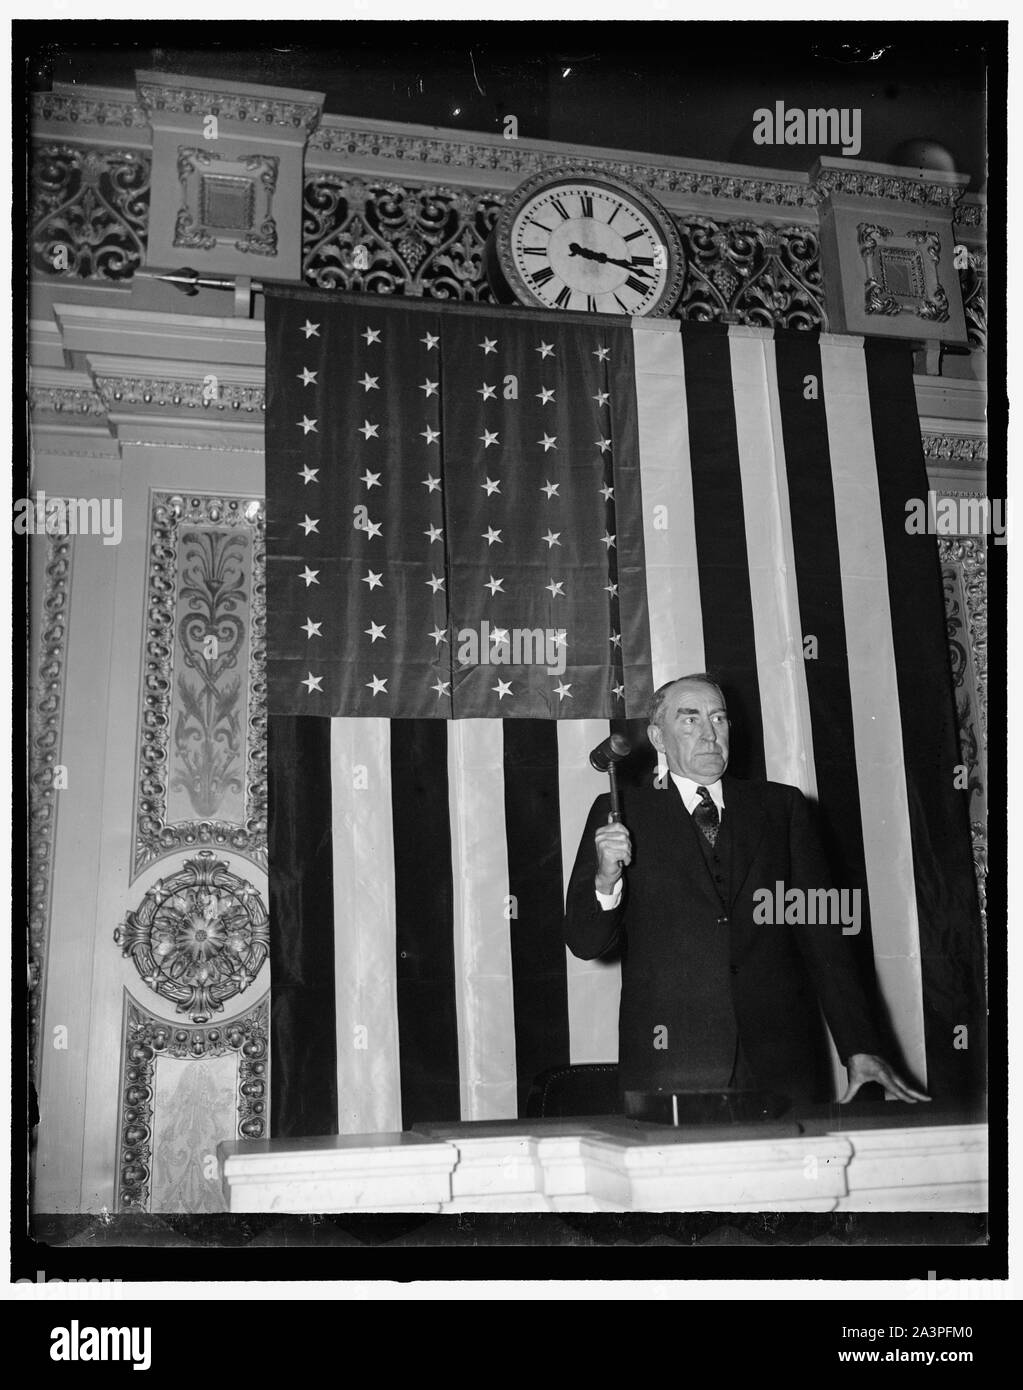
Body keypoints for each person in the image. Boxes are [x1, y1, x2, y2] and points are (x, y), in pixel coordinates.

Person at [563, 673, 930, 1108]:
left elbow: (825, 937)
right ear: (658, 737)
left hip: (781, 1063)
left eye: (719, 719)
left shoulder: (783, 808)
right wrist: (606, 879)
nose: (709, 734)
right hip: (670, 1063)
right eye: (690, 720)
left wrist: (859, 1047)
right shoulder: (620, 812)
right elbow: (585, 943)